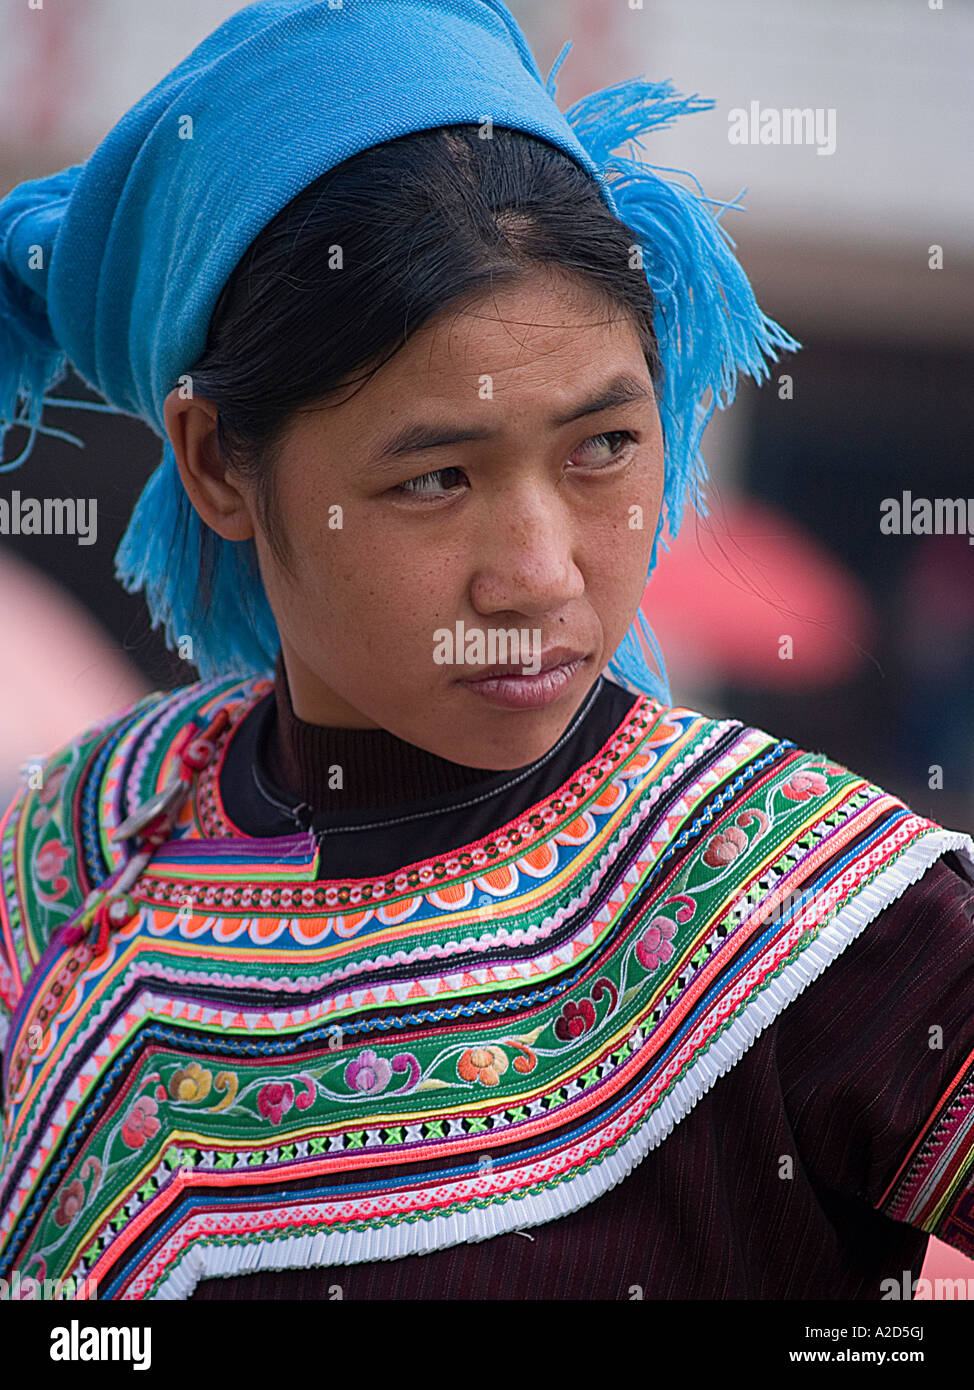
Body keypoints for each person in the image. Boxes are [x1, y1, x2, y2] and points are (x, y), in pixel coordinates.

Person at [1, 0, 972, 1302]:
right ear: (216, 463)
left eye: (603, 449)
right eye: (436, 477)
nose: (541, 570)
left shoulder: (809, 908)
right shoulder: (71, 854)